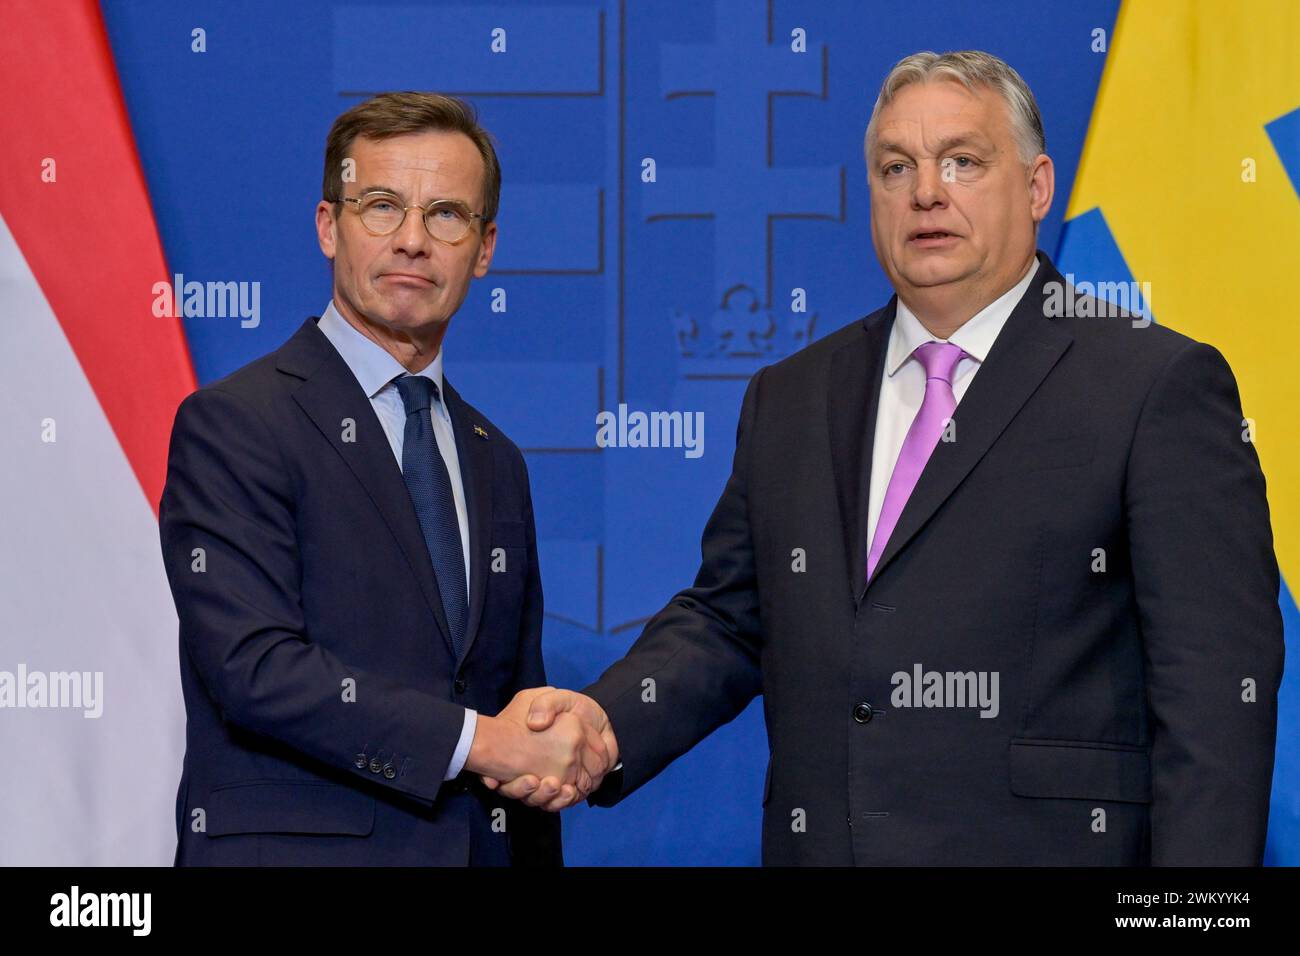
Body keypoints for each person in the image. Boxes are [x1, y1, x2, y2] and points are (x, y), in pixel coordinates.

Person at [488, 51, 1284, 865]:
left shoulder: (1155, 384)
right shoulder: (793, 395)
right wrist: (604, 724)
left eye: (963, 161)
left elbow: (1216, 694)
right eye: (895, 166)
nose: (926, 192)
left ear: (1038, 186)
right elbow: (730, 618)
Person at [159, 91, 609, 866]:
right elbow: (254, 667)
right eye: (380, 206)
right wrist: (480, 743)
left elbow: (511, 711)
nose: (411, 241)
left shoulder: (493, 458)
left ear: (485, 247)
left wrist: (538, 751)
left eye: (445, 215)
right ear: (329, 226)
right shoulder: (234, 424)